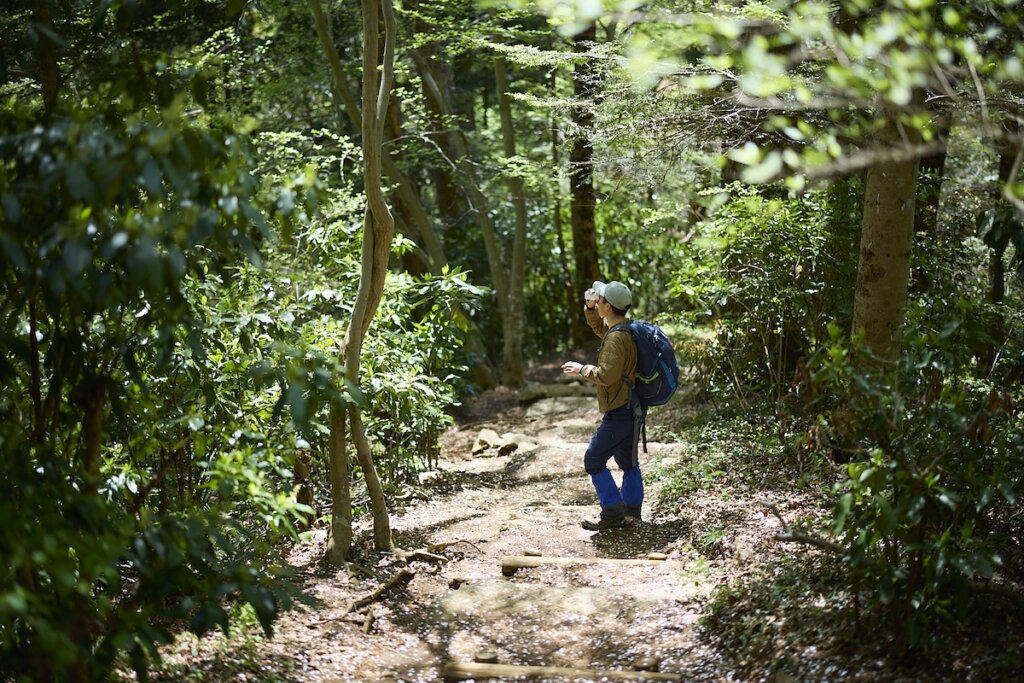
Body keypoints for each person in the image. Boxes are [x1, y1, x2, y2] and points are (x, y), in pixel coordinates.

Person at [561, 280, 645, 531]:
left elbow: (607, 375)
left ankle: (612, 512)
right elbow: (600, 327)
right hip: (633, 407)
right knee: (628, 463)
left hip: (619, 411)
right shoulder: (625, 330)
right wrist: (589, 306)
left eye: (600, 300)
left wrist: (581, 369)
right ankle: (631, 511)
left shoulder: (615, 340)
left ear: (607, 306)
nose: (597, 302)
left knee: (594, 460)